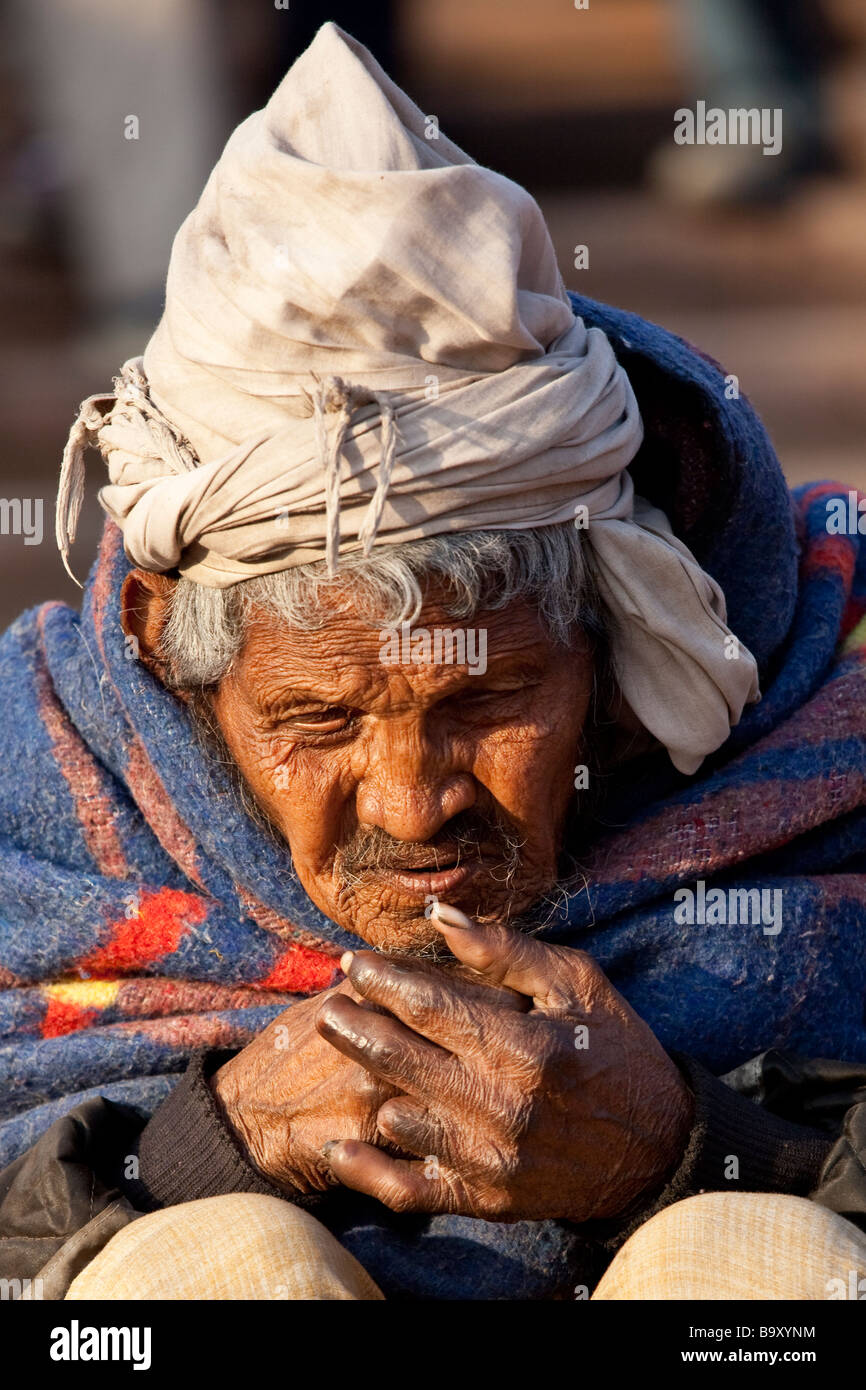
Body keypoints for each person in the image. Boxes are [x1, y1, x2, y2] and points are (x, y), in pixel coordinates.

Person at [1, 23, 865, 1302]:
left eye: (488, 699)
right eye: (318, 717)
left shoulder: (819, 679)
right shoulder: (57, 778)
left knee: (760, 1270)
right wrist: (203, 1151)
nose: (412, 805)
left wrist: (689, 1153)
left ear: (616, 634)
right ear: (166, 654)